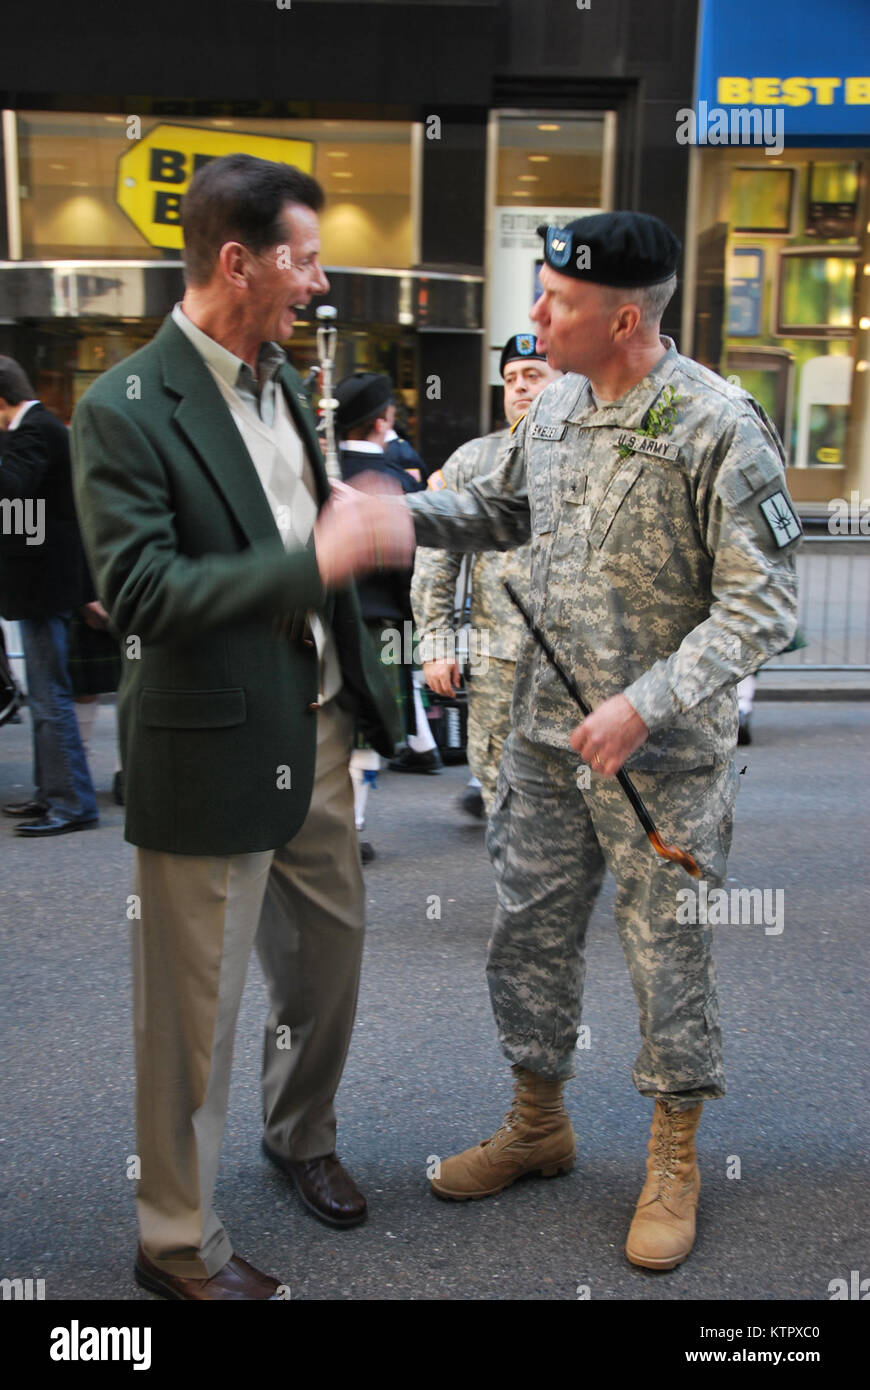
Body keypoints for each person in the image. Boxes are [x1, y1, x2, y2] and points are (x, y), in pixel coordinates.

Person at [404, 211, 800, 1270]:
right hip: (539, 737)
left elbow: (764, 609)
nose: (535, 320)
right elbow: (494, 511)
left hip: (656, 760)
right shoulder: (561, 403)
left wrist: (644, 702)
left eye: (558, 303)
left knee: (665, 949)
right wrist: (395, 517)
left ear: (624, 317)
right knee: (528, 934)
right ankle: (539, 1122)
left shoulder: (719, 422)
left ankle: (675, 1156)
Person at [71, 154, 414, 1300]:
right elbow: (148, 593)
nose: (317, 282)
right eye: (303, 259)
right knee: (194, 1018)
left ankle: (297, 1132)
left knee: (328, 964)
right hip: (210, 741)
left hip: (315, 727)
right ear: (240, 260)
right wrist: (313, 555)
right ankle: (176, 1245)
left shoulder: (278, 380)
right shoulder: (122, 406)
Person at [412, 334, 561, 818]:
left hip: (580, 661)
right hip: (499, 660)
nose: (520, 387)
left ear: (563, 380)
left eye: (533, 375)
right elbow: (437, 558)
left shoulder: (592, 452)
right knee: (501, 787)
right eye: (511, 379)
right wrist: (436, 644)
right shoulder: (475, 459)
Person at [0, 358, 99, 836]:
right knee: (45, 696)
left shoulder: (34, 431)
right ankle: (51, 796)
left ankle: (71, 802)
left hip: (45, 584)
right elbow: (24, 514)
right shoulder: (36, 430)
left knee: (49, 697)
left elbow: (11, 490)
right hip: (40, 580)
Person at [334, 370, 426, 859]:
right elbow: (411, 568)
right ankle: (352, 826)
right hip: (383, 625)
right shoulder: (395, 481)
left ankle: (318, 824)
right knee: (370, 731)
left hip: (319, 619)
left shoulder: (314, 475)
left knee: (326, 727)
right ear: (383, 420)